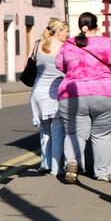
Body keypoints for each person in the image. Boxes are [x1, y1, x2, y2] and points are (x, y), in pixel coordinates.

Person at [56, 12, 111, 183]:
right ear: (97, 26)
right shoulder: (107, 43)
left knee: (75, 133)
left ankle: (72, 162)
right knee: (102, 134)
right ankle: (103, 173)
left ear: (80, 26)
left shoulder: (68, 44)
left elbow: (60, 65)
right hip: (104, 92)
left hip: (71, 94)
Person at [30, 18, 68, 175]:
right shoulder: (64, 47)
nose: (68, 34)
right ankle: (56, 168)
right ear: (58, 31)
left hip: (37, 93)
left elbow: (28, 64)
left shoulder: (37, 44)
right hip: (54, 93)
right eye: (66, 31)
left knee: (44, 130)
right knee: (58, 131)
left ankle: (44, 164)